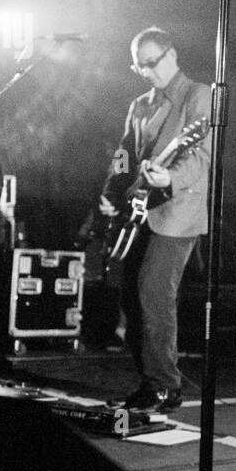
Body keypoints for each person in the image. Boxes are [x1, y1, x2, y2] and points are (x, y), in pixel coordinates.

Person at [99, 28, 211, 411]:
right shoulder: (139, 104)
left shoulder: (200, 96)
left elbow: (200, 157)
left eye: (153, 61)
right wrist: (112, 190)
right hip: (139, 211)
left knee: (153, 291)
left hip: (178, 213)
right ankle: (151, 381)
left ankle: (165, 385)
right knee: (131, 298)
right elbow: (123, 154)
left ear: (173, 54)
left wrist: (171, 178)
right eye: (139, 66)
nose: (148, 71)